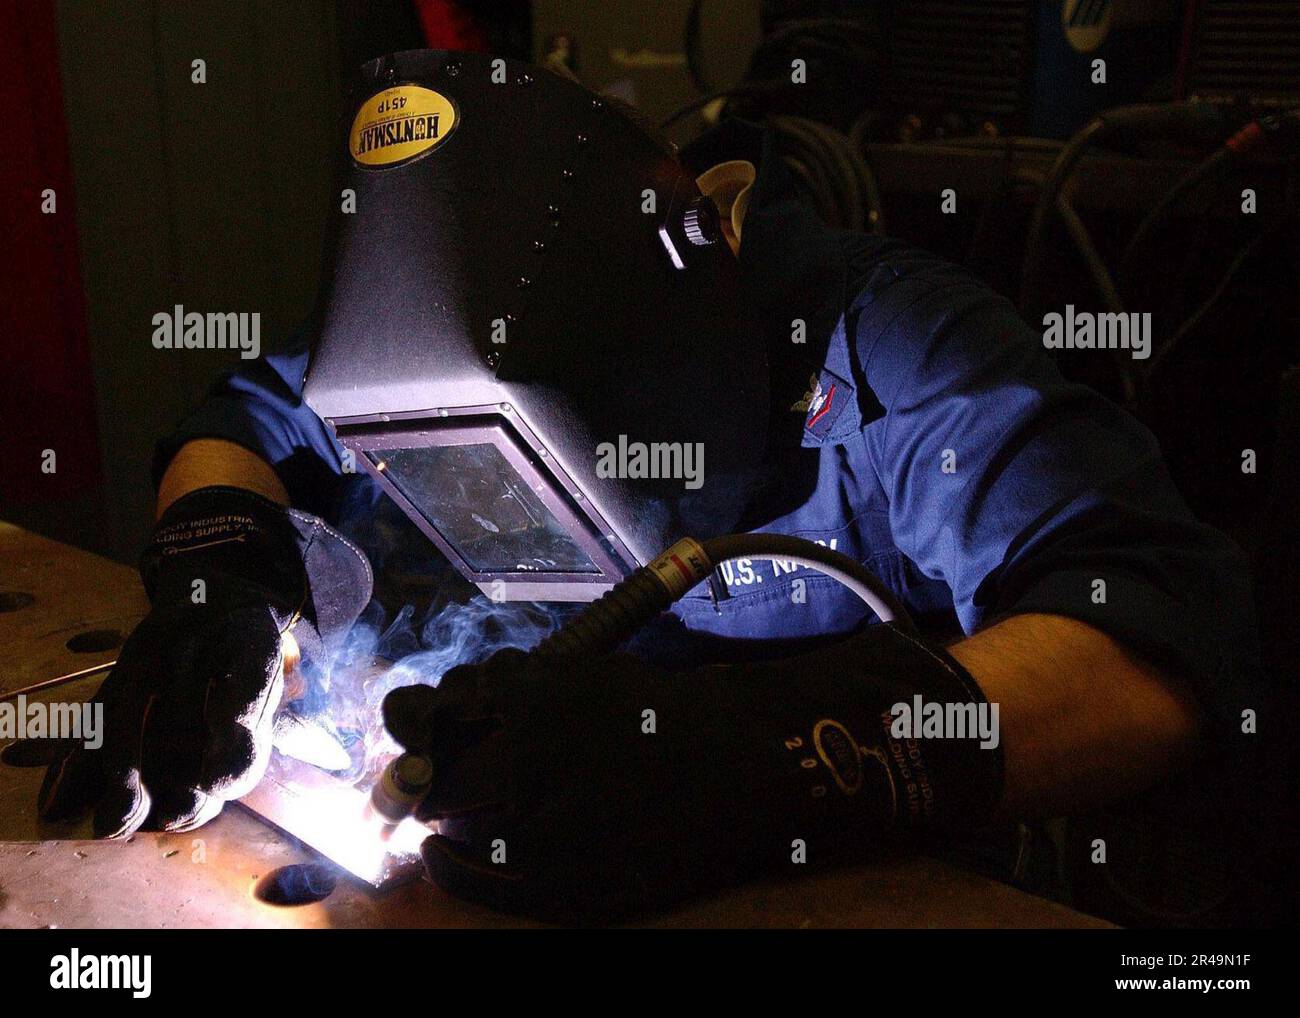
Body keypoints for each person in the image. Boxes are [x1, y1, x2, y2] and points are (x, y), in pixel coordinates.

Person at [34, 51, 1260, 920]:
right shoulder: (440, 333)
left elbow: (1153, 646)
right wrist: (216, 584)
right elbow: (244, 419)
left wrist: (736, 766)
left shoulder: (894, 344)